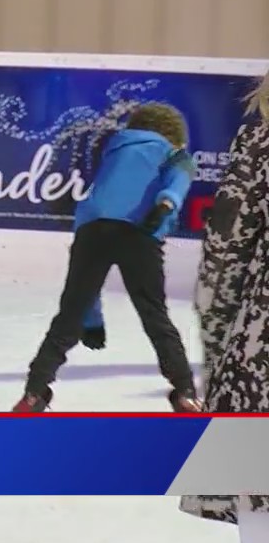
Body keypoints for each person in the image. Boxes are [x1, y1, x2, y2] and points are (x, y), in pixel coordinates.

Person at [14, 102, 200, 412]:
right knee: (155, 315)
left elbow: (88, 212)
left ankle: (34, 393)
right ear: (174, 133)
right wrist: (166, 204)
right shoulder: (174, 153)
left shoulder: (115, 150)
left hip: (92, 231)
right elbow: (178, 182)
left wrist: (91, 319)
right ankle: (184, 392)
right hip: (141, 232)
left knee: (68, 316)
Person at [179, 75, 269, 543]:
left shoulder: (261, 141)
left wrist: (220, 354)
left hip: (263, 353)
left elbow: (226, 250)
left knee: (259, 487)